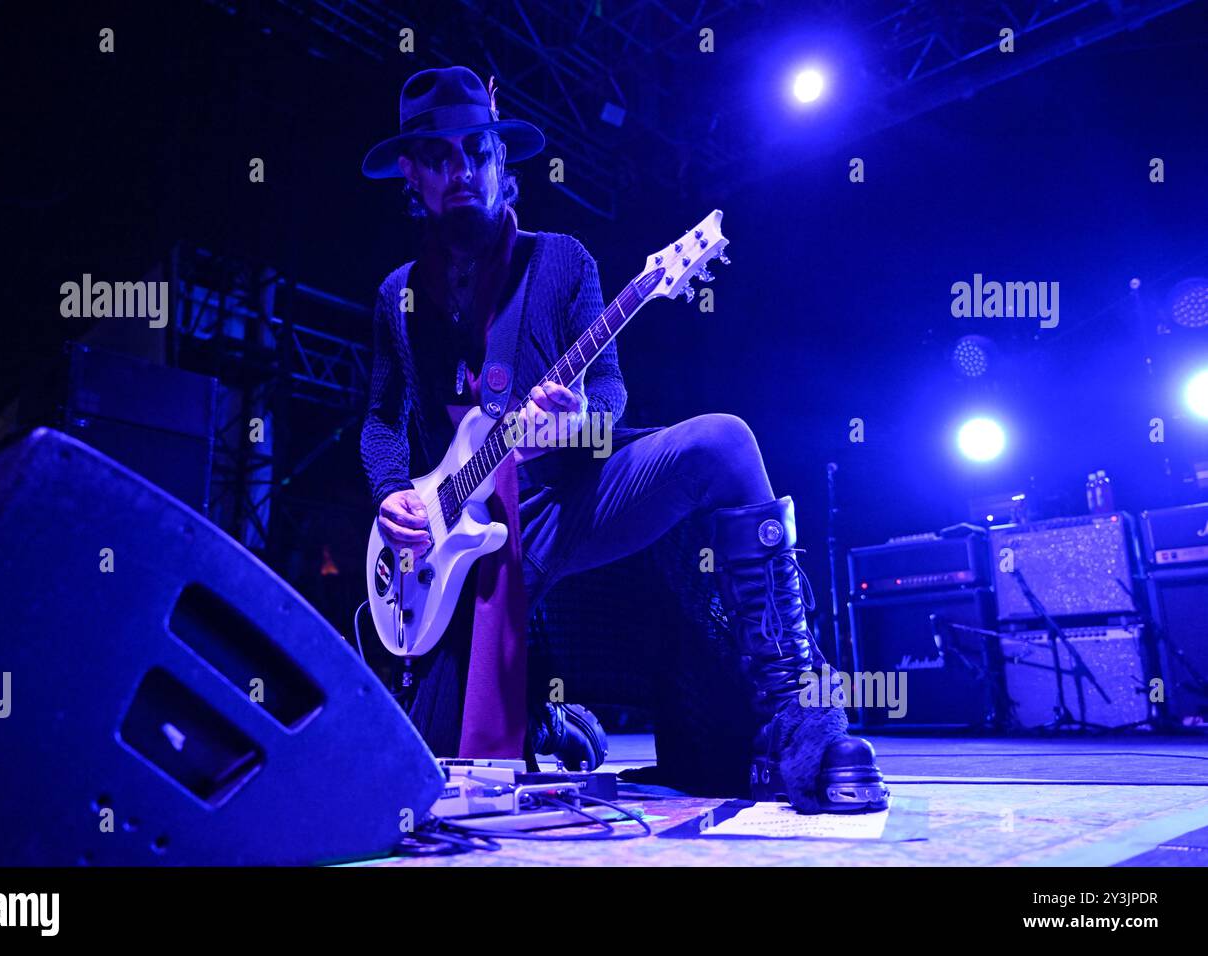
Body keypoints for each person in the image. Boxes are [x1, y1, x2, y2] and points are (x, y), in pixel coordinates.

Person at [359, 66, 887, 812]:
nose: (462, 170)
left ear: (500, 156)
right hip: (458, 539)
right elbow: (381, 420)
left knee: (723, 443)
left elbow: (608, 394)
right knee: (429, 776)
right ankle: (554, 719)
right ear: (409, 170)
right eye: (439, 156)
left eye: (477, 149)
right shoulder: (397, 296)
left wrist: (571, 419)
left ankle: (793, 713)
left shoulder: (562, 261)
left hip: (562, 503)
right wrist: (390, 496)